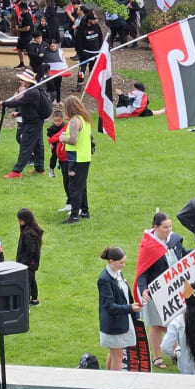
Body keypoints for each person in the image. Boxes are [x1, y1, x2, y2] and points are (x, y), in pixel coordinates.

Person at [134, 212, 195, 369]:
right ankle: (157, 356)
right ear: (156, 228)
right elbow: (142, 271)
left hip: (174, 290)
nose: (168, 230)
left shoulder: (174, 240)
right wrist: (144, 289)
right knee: (156, 325)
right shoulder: (148, 246)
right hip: (157, 292)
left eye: (170, 226)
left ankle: (176, 351)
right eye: (165, 227)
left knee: (175, 322)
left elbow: (182, 254)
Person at [0, 69, 47, 178]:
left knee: (25, 145)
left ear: (27, 81)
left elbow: (17, 102)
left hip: (32, 123)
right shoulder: (33, 90)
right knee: (37, 145)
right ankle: (39, 168)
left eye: (22, 80)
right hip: (36, 121)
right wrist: (19, 114)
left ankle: (17, 171)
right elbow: (30, 107)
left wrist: (3, 103)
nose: (20, 81)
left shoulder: (31, 92)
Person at [96, 247, 142, 371]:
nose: (124, 265)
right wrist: (130, 308)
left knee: (113, 353)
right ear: (111, 261)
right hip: (113, 324)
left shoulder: (117, 272)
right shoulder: (104, 279)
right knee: (118, 355)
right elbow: (109, 306)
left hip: (121, 321)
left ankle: (109, 380)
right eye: (121, 262)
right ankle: (115, 386)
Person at [60, 96, 93, 224]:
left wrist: (63, 138)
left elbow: (73, 140)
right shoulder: (85, 119)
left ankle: (74, 216)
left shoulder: (75, 121)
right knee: (82, 185)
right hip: (84, 157)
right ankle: (85, 211)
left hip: (76, 158)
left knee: (74, 187)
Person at [15, 208, 43, 306]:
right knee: (31, 279)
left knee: (26, 282)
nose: (19, 222)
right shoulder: (33, 231)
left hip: (27, 262)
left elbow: (30, 250)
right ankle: (34, 299)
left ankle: (25, 303)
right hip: (32, 262)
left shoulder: (29, 234)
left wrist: (22, 263)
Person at [14, 1, 34, 69]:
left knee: (29, 50)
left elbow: (27, 28)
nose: (19, 9)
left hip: (27, 35)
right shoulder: (22, 15)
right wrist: (18, 26)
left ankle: (32, 63)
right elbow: (20, 23)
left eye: (20, 8)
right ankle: (21, 62)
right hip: (22, 35)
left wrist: (18, 30)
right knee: (19, 49)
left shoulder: (27, 16)